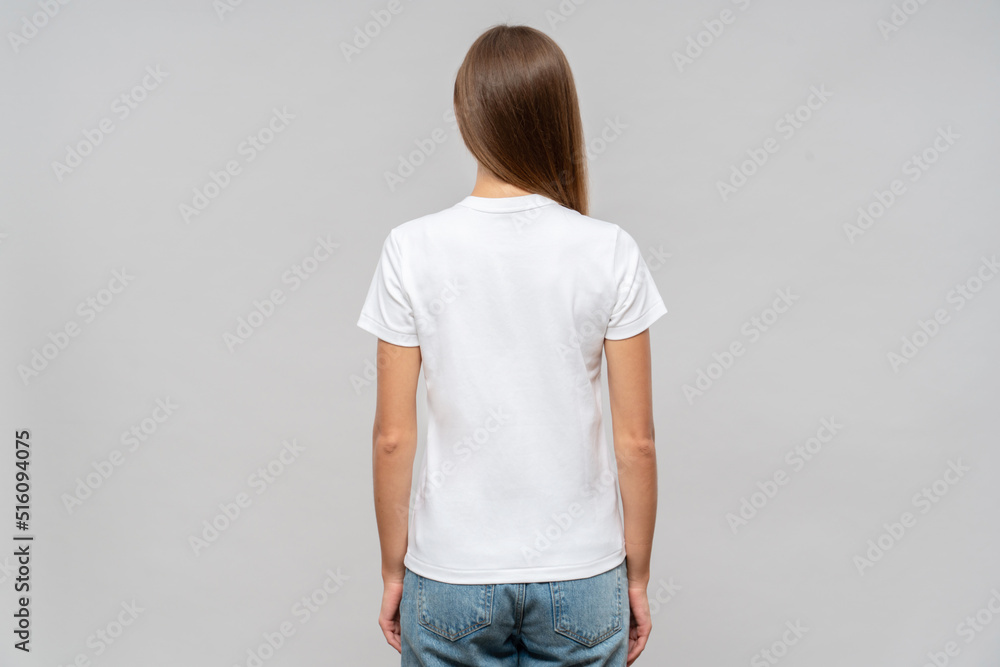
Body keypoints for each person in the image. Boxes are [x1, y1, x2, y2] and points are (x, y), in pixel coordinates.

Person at [357, 23, 666, 667]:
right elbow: (636, 441)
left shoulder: (410, 249)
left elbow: (392, 435)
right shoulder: (608, 249)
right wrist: (635, 579)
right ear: (560, 116)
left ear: (467, 116)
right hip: (582, 576)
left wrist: (395, 570)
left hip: (448, 574)